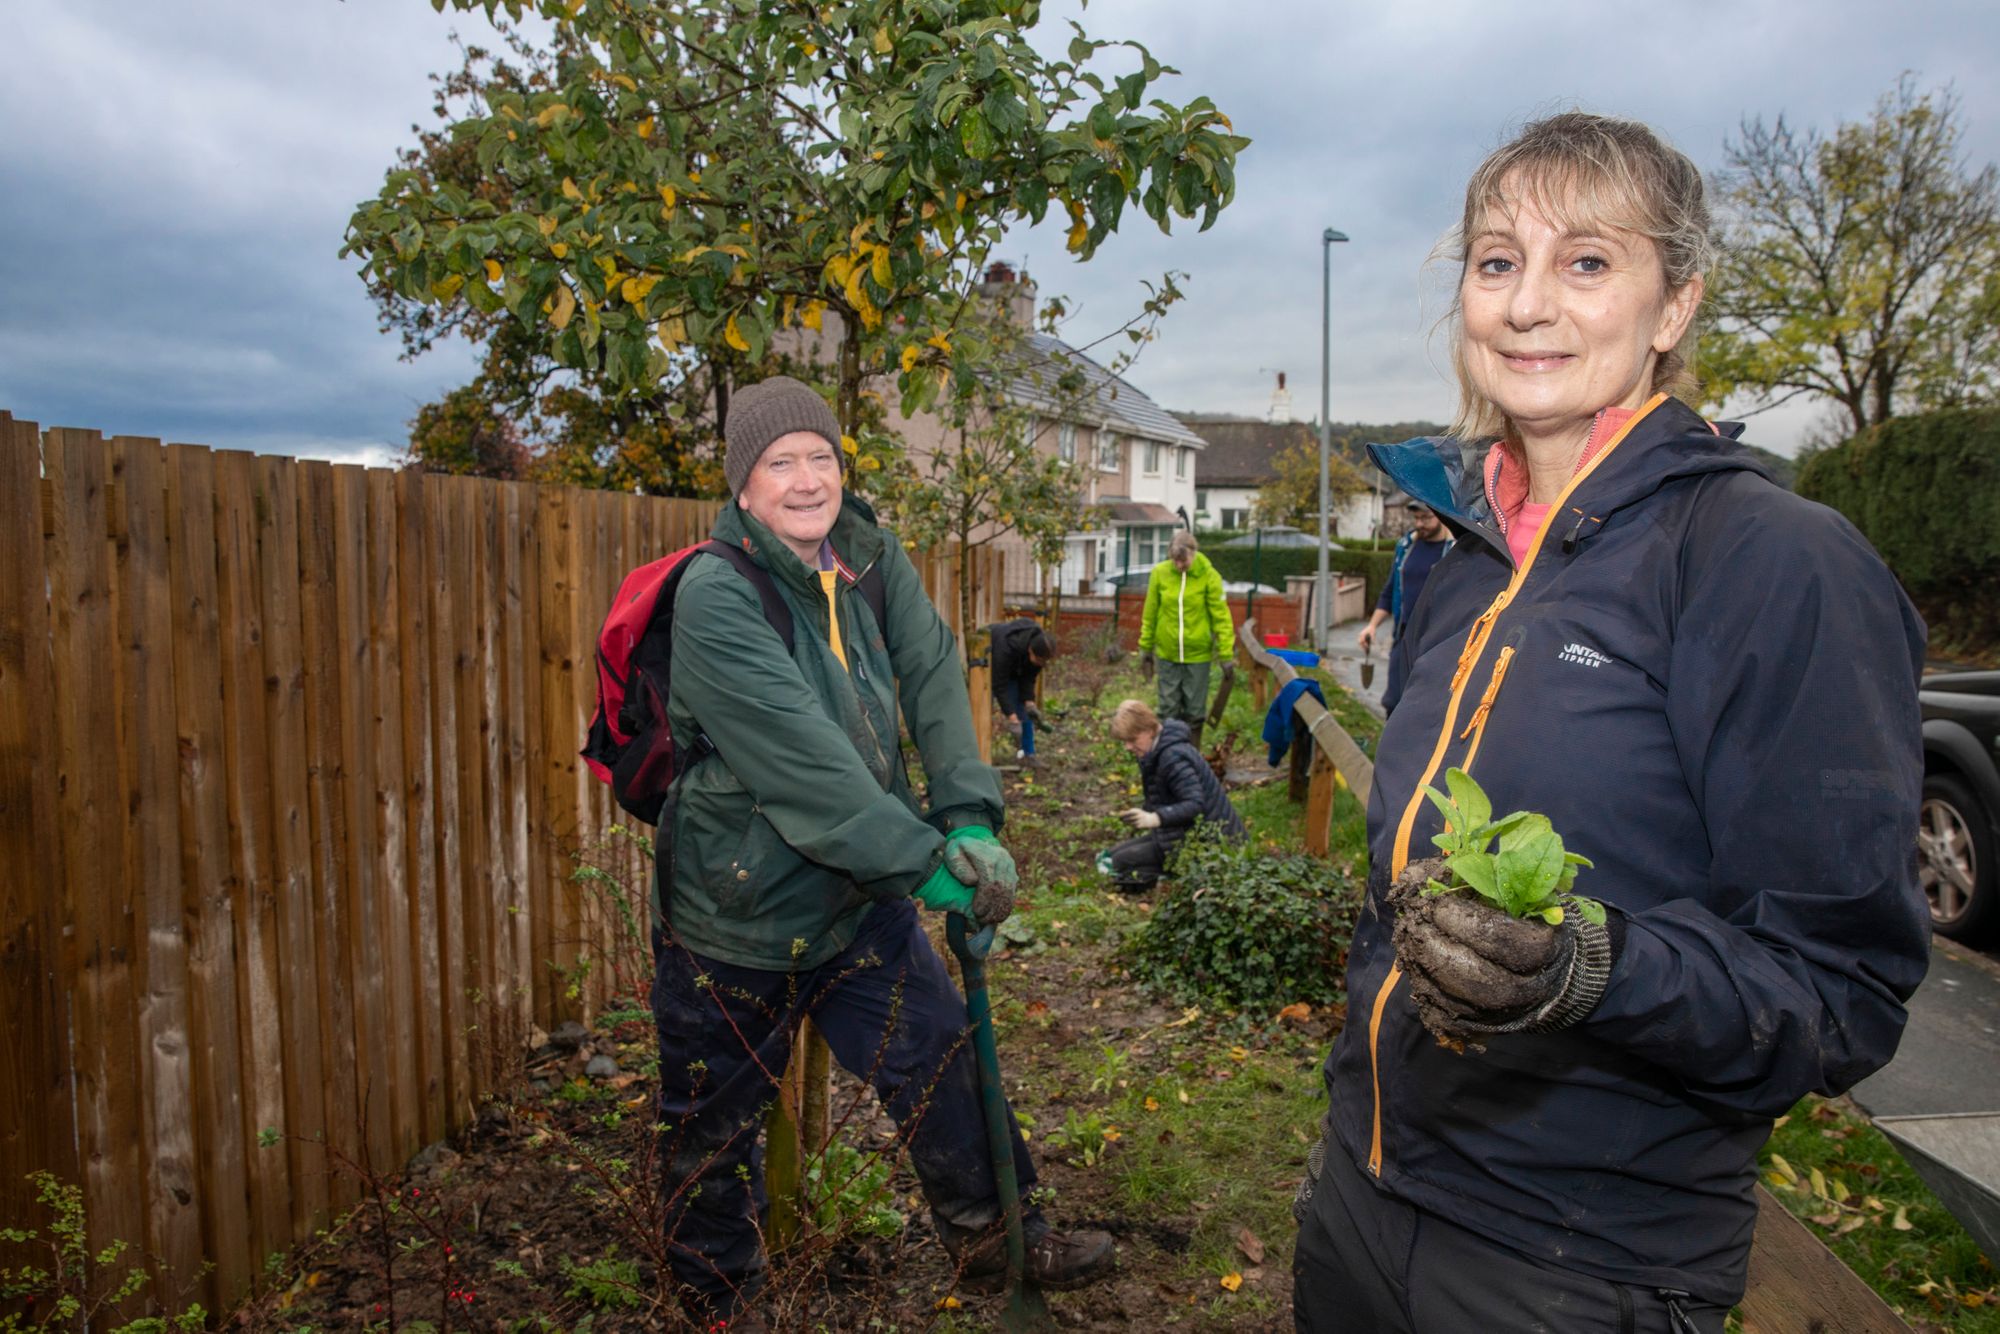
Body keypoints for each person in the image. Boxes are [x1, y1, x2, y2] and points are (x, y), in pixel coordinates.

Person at [1291, 114, 1928, 1333]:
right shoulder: (1462, 554)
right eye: (1493, 261)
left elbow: (1838, 991)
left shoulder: (1772, 563)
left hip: (1573, 1264)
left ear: (1672, 305)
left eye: (1585, 262)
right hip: (1363, 1191)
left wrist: (1596, 966)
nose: (1526, 304)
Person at [653, 376, 1113, 1328]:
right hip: (739, 915)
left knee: (936, 1049)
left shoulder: (861, 551)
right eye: (780, 462)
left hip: (857, 899)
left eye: (821, 455)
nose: (807, 478)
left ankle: (996, 1231)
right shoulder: (715, 595)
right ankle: (718, 1305)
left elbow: (934, 668)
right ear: (743, 487)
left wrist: (970, 815)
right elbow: (807, 772)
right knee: (714, 1132)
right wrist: (927, 864)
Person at [1102, 699, 1246, 892]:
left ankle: (1175, 879)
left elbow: (1195, 805)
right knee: (1108, 857)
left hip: (1212, 842)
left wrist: (1155, 818)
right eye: (1125, 741)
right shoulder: (1154, 750)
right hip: (1183, 831)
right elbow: (1164, 795)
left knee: (1118, 864)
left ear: (1149, 730)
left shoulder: (1173, 757)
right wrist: (1143, 814)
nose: (1128, 747)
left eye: (1132, 740)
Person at [1136, 531, 1235, 749]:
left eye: (1184, 560)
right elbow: (1150, 612)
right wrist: (1146, 647)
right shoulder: (1160, 574)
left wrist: (1226, 653)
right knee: (1168, 710)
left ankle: (1191, 756)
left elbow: (1221, 617)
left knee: (1194, 711)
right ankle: (1168, 755)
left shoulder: (1209, 576)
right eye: (1175, 560)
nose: (1179, 565)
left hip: (1197, 656)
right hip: (1167, 653)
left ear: (1194, 553)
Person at [1354, 500, 1453, 714]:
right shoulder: (1406, 546)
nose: (1420, 523)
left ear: (1441, 515)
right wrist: (1371, 626)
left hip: (1436, 640)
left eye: (1426, 518)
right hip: (1404, 635)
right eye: (1416, 518)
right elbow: (1390, 591)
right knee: (1393, 701)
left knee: (1426, 706)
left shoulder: (1454, 551)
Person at [988, 618, 1055, 763]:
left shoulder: (1039, 647)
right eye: (1038, 661)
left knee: (1024, 712)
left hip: (1013, 668)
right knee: (984, 707)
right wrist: (1012, 718)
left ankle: (1029, 755)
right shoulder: (1006, 646)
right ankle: (980, 755)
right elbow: (1000, 685)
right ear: (1030, 650)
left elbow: (1028, 678)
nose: (1040, 664)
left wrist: (1029, 702)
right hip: (988, 662)